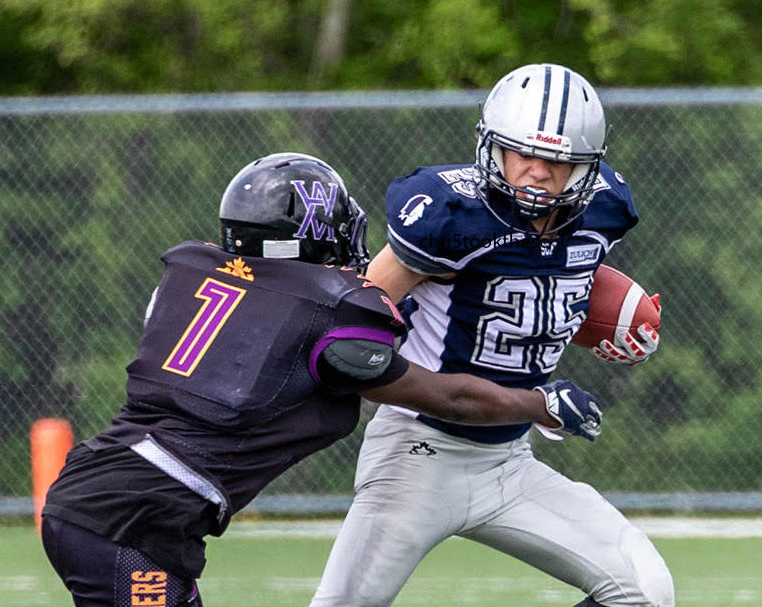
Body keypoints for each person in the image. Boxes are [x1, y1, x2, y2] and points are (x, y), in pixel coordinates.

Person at [39, 152, 606, 607]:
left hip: (117, 497)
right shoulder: (330, 315)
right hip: (132, 520)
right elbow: (446, 395)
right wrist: (536, 402)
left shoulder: (191, 271)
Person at [309, 64, 674, 607]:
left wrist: (603, 318)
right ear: (490, 145)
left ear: (586, 167)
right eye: (521, 153)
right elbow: (356, 321)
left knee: (644, 590)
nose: (537, 172)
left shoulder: (603, 210)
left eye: (558, 161)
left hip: (507, 462)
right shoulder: (450, 213)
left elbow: (550, 280)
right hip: (417, 451)